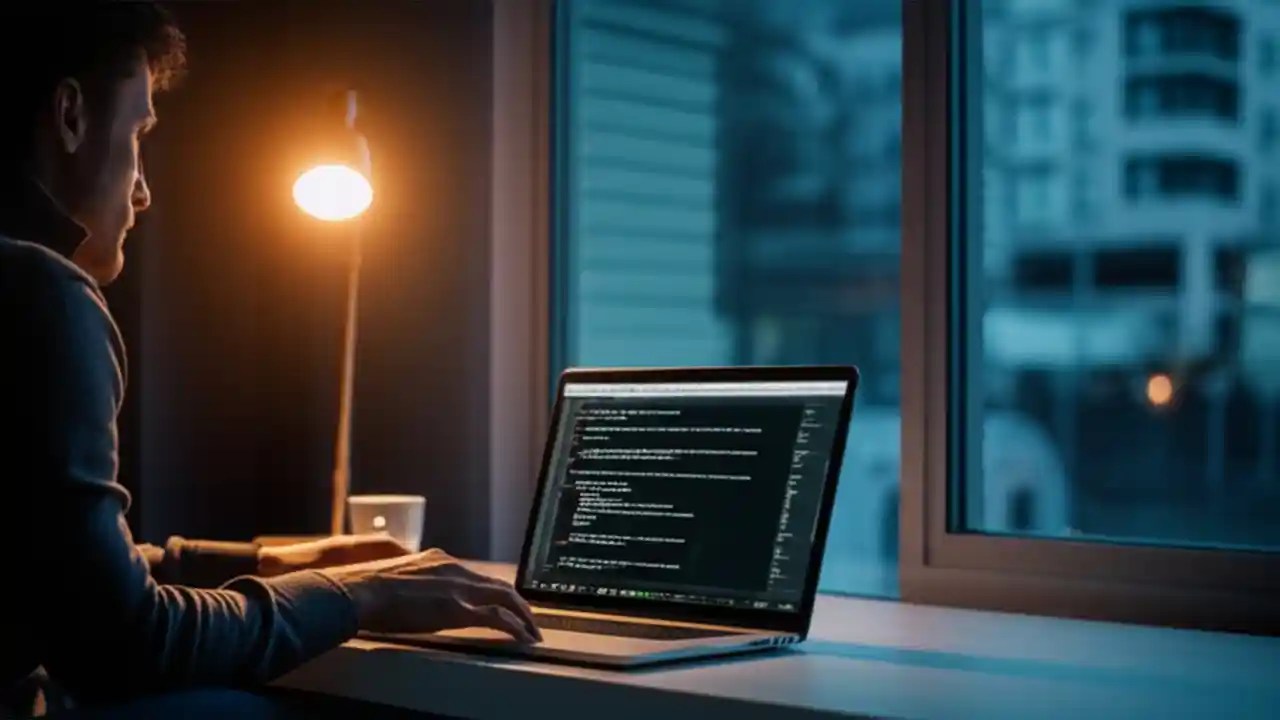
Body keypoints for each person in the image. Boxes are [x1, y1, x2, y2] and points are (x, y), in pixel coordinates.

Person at [0, 3, 540, 718]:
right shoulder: (42, 292)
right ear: (69, 115)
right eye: (138, 134)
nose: (143, 189)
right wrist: (364, 595)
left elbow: (63, 569)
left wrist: (274, 563)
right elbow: (127, 640)